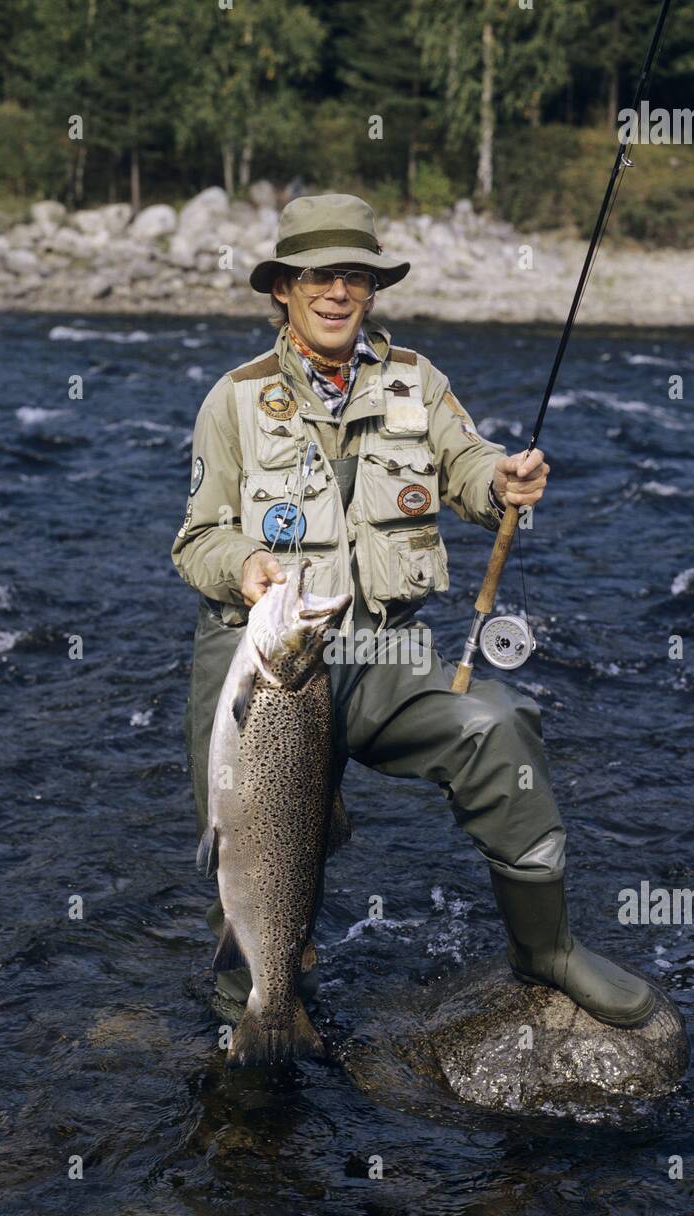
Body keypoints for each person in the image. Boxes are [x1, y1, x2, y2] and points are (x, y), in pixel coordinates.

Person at [172, 193, 655, 1027]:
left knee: (500, 728)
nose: (337, 292)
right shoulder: (234, 401)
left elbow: (468, 467)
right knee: (249, 831)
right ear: (282, 288)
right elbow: (195, 540)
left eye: (355, 276)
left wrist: (501, 482)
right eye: (319, 276)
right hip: (262, 658)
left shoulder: (417, 382)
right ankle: (249, 1003)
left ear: (371, 289)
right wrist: (243, 563)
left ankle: (544, 949)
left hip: (383, 655)